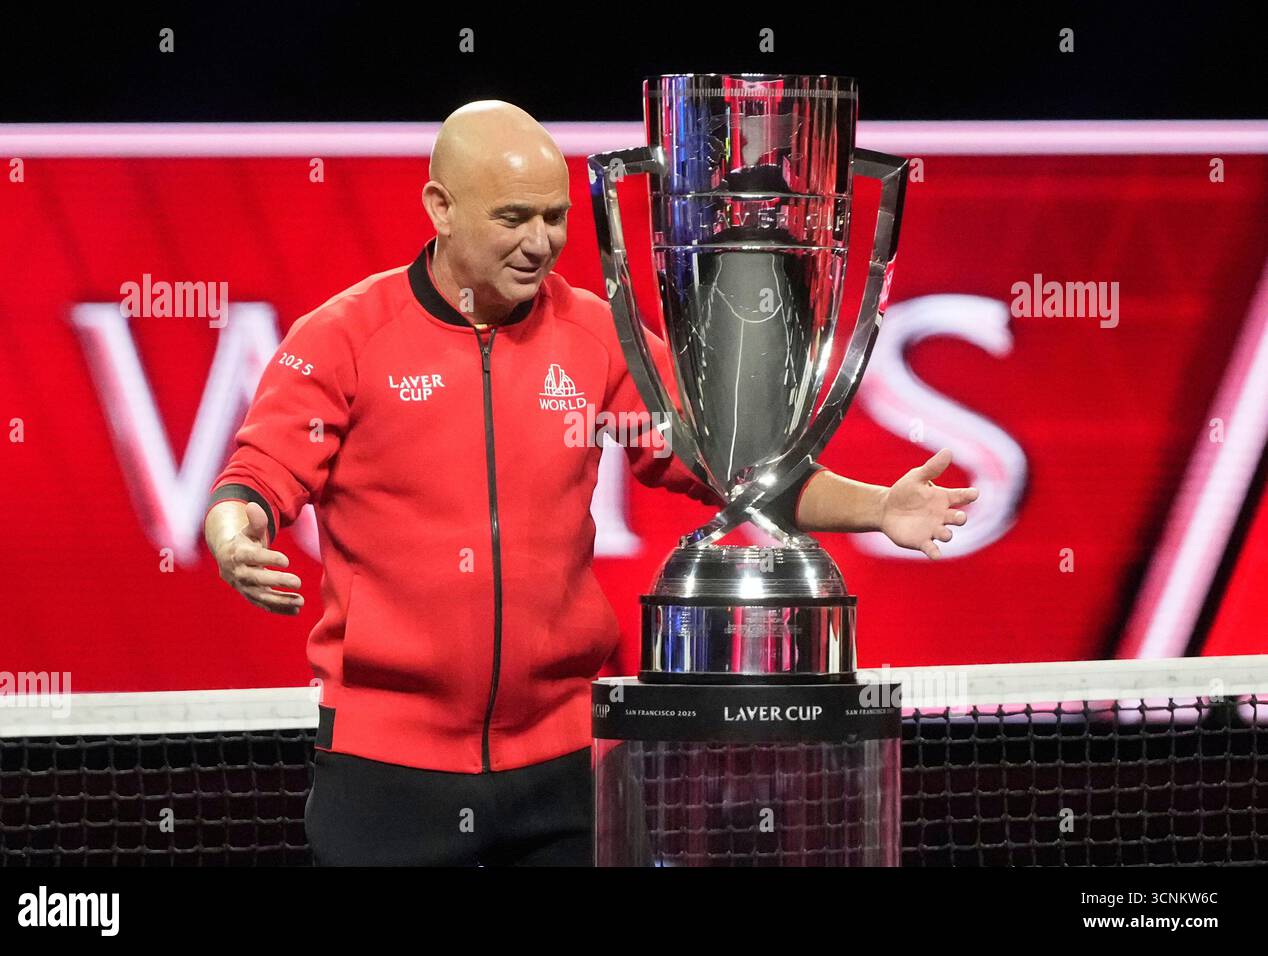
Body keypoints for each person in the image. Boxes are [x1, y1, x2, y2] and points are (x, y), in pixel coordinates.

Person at [203, 100, 978, 866]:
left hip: (566, 765)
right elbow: (257, 479)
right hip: (385, 774)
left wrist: (881, 508)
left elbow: (731, 471)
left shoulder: (593, 333)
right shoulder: (343, 337)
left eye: (554, 217)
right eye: (513, 218)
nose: (540, 243)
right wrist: (236, 536)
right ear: (440, 207)